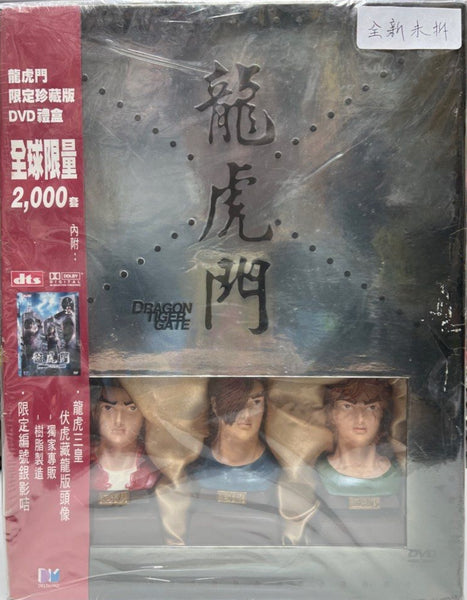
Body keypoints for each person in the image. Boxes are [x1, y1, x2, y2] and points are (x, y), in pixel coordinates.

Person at [309, 378, 405, 546]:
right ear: (332, 414)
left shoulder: (398, 473)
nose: (360, 418)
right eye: (347, 406)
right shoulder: (316, 473)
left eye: (371, 407)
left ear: (382, 414)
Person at [187, 377, 281, 545]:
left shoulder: (275, 472)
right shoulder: (197, 469)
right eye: (237, 402)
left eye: (256, 402)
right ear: (215, 405)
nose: (246, 414)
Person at [90, 379, 162, 545]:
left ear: (145, 415)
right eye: (108, 408)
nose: (118, 420)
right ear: (95, 412)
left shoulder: (155, 468)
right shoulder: (79, 464)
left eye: (132, 409)